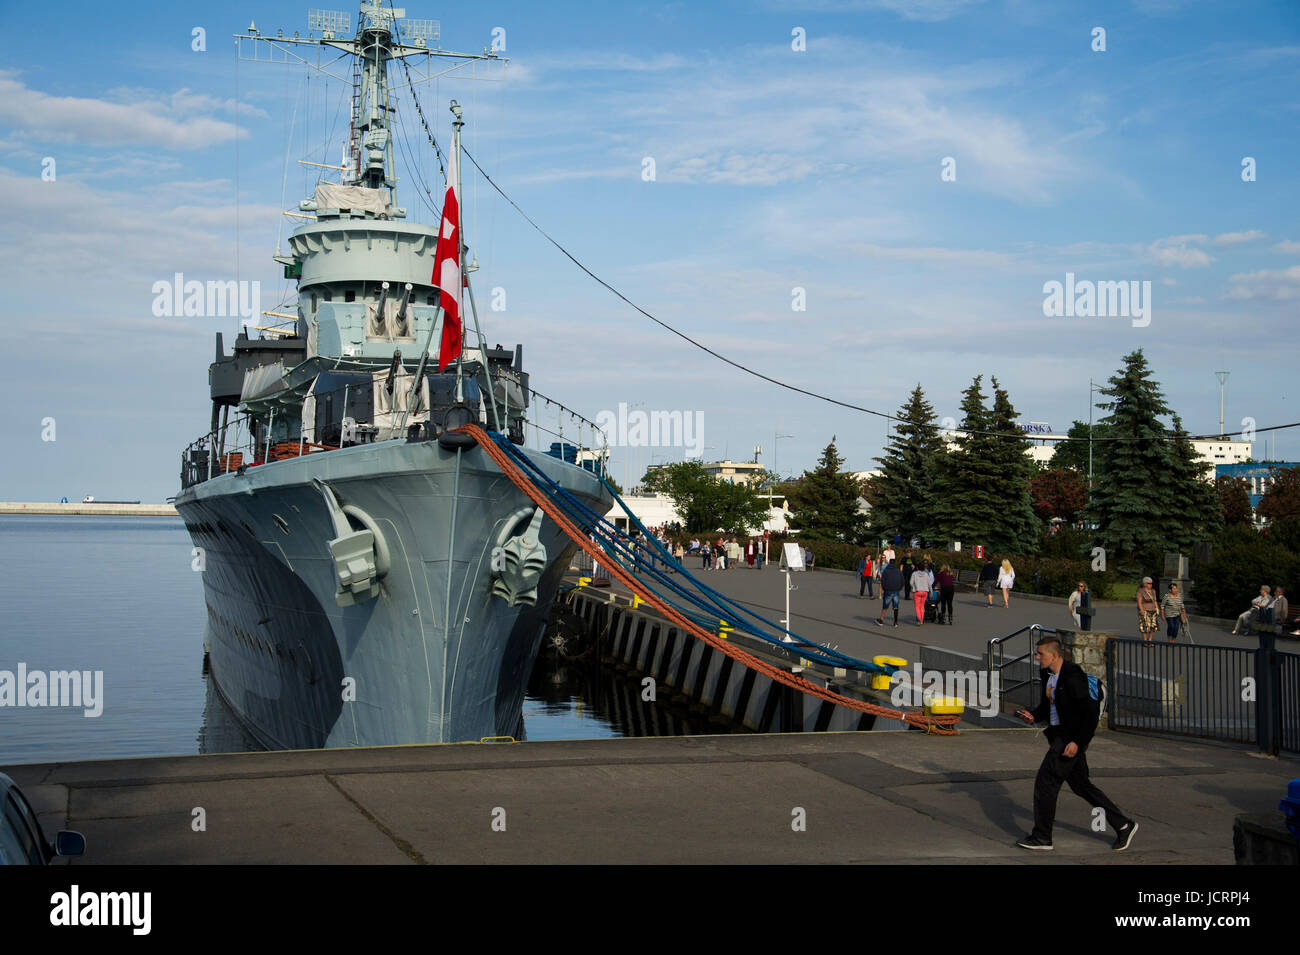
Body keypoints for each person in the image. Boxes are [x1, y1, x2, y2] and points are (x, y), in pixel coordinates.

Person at [1015, 634, 1138, 852]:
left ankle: (1042, 837)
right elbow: (1048, 704)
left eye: (1040, 654)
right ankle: (1123, 825)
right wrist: (1033, 715)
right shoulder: (1047, 674)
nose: (1037, 657)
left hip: (1069, 738)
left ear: (1054, 655)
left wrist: (1077, 743)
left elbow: (1090, 714)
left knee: (1046, 783)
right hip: (1060, 735)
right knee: (1082, 786)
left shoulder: (1073, 677)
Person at [876, 560, 904, 628]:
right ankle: (895, 622)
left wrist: (885, 588)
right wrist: (899, 588)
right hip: (896, 590)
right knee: (895, 606)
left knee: (885, 606)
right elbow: (902, 580)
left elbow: (883, 581)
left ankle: (881, 620)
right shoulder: (898, 571)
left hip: (888, 590)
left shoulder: (886, 571)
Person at [1136, 577, 1160, 644]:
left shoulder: (1153, 591)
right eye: (1149, 583)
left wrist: (1157, 608)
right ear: (1145, 584)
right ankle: (1145, 640)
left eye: (1151, 583)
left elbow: (1155, 601)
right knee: (1145, 626)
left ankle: (1150, 640)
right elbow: (1139, 602)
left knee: (1152, 626)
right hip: (1145, 609)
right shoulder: (1141, 591)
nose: (1151, 585)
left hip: (1152, 610)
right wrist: (1141, 610)